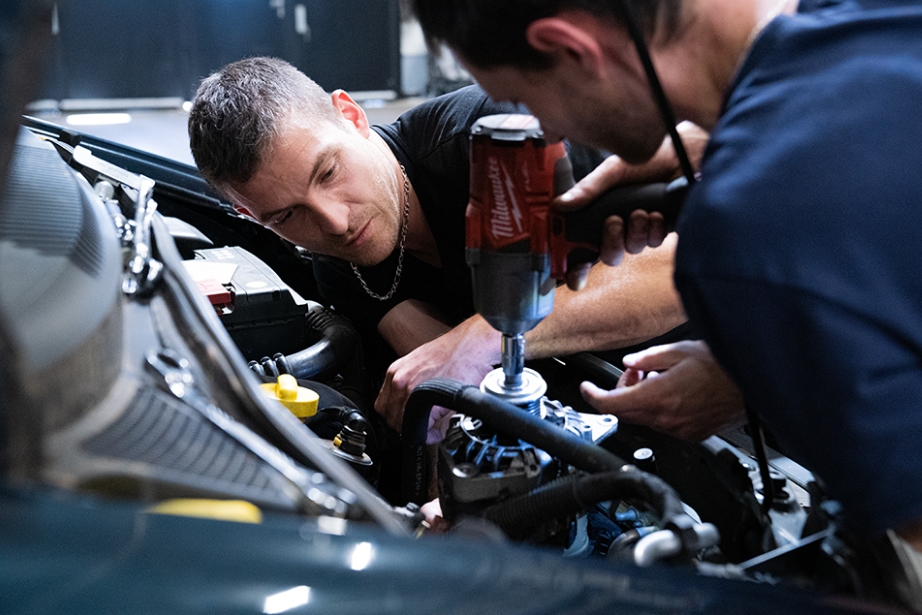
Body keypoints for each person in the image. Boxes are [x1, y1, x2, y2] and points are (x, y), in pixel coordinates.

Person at [410, 0, 922, 568]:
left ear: (572, 48)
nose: (548, 131)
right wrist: (720, 142)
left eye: (528, 103)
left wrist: (763, 375)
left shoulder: (748, 232)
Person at [187, 57, 689, 445]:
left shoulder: (500, 140)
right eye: (287, 215)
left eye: (329, 173)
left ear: (351, 115)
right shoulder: (342, 266)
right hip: (597, 426)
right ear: (255, 219)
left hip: (720, 382)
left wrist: (483, 337)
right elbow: (448, 381)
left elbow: (683, 270)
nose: (334, 222)